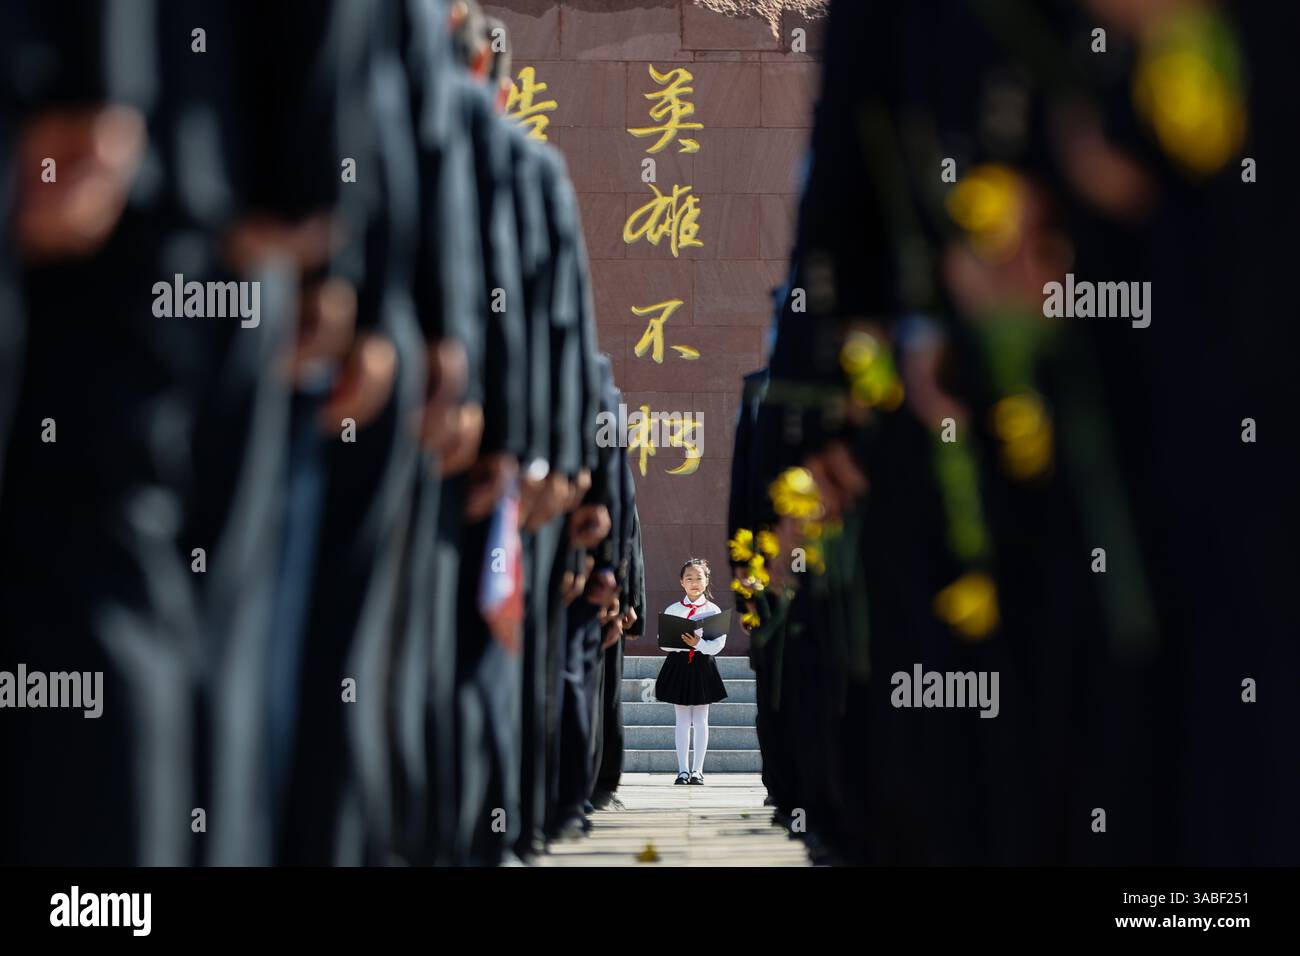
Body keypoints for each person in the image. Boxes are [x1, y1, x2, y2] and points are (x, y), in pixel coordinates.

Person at [654, 558, 727, 785]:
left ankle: (698, 771)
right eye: (689, 578)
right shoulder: (673, 609)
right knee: (682, 719)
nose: (694, 582)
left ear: (707, 581)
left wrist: (698, 643)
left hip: (703, 665)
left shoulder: (713, 610)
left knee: (701, 719)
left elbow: (718, 645)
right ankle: (683, 771)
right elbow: (664, 644)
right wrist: (683, 641)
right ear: (681, 582)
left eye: (699, 578)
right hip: (679, 666)